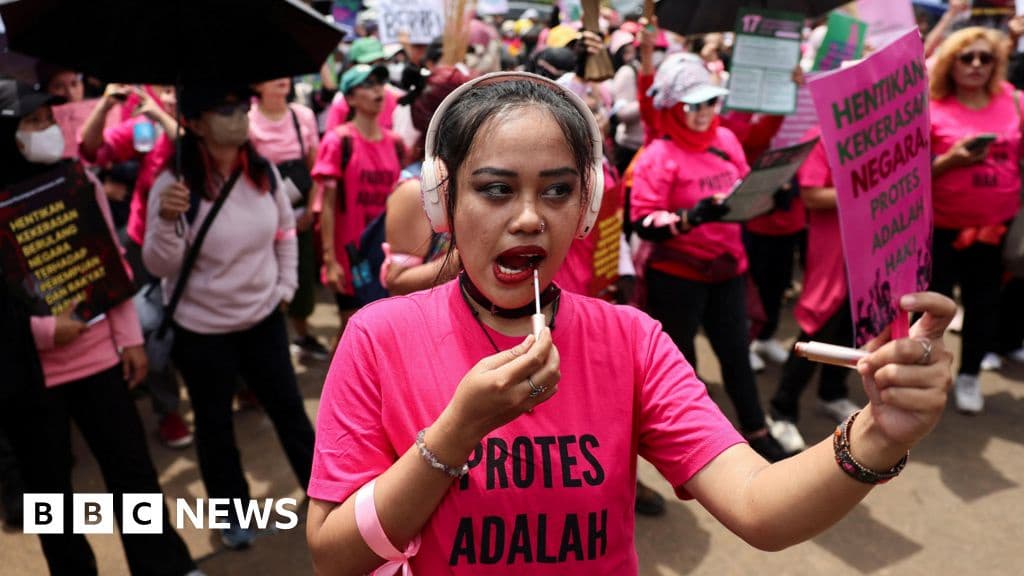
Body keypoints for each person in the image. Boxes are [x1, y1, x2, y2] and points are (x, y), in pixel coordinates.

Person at [304, 71, 954, 575]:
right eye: (497, 189)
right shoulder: (377, 336)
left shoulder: (631, 339)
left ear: (586, 206)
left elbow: (759, 507)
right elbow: (333, 556)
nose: (529, 217)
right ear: (443, 201)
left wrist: (877, 436)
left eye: (557, 190)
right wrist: (455, 432)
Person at [1, 79, 200, 576]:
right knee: (49, 494)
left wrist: (129, 338)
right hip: (30, 376)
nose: (45, 130)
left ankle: (164, 566)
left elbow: (108, 262)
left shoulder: (77, 180)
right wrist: (44, 332)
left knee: (133, 473)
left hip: (98, 359)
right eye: (31, 123)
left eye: (48, 119)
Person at [143, 82, 315, 549]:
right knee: (215, 426)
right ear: (195, 124)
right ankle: (232, 514)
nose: (239, 117)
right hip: (202, 333)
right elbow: (158, 266)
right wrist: (164, 219)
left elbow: (284, 232)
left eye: (242, 107)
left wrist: (285, 287)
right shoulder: (174, 184)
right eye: (224, 108)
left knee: (291, 415)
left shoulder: (262, 173)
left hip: (263, 320)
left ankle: (326, 498)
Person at [629, 54, 785, 461]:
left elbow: (744, 191)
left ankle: (756, 430)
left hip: (729, 268)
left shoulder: (726, 140)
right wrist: (691, 217)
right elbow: (643, 221)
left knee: (736, 354)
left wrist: (772, 196)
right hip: (677, 276)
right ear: (672, 108)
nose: (703, 114)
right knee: (682, 367)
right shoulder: (657, 156)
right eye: (692, 105)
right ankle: (694, 448)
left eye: (710, 102)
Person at [79, 83, 192, 448]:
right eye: (164, 89)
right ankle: (169, 411)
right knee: (154, 331)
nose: (171, 95)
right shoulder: (145, 127)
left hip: (202, 253)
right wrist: (106, 104)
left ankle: (240, 388)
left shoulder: (206, 121)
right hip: (150, 248)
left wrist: (162, 112)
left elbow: (191, 148)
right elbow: (91, 149)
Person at [928, 27, 1022, 414]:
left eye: (985, 58)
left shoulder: (1015, 103)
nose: (977, 65)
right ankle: (925, 379)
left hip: (994, 230)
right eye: (967, 57)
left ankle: (969, 375)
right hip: (939, 229)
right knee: (932, 308)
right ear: (951, 63)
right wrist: (951, 161)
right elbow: (908, 173)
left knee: (984, 306)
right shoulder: (931, 107)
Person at [766, 128, 862, 454]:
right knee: (819, 321)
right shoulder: (824, 136)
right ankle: (782, 409)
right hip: (833, 247)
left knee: (853, 322)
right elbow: (811, 195)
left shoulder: (885, 132)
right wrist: (867, 191)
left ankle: (832, 393)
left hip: (870, 249)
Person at [312, 65, 405, 331]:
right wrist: (330, 260)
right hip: (350, 256)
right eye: (368, 84)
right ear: (350, 98)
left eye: (380, 84)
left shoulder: (396, 143)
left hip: (387, 255)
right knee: (351, 329)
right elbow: (326, 205)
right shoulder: (338, 141)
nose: (378, 90)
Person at [248, 77, 330, 360]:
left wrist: (310, 209)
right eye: (271, 74)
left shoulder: (302, 115)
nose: (282, 79)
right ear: (256, 85)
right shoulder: (248, 121)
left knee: (301, 279)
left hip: (299, 219)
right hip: (262, 221)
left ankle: (303, 335)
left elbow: (315, 166)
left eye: (285, 73)